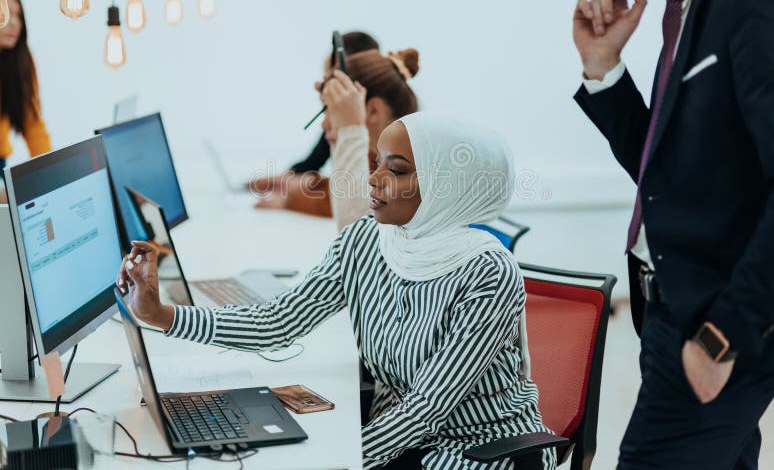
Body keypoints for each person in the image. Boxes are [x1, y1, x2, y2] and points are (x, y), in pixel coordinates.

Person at [118, 112, 556, 470]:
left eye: (396, 169)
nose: (374, 179)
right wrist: (163, 316)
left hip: (482, 450)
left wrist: (342, 459)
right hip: (402, 441)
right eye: (377, 163)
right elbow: (277, 322)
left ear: (446, 186)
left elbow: (427, 407)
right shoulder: (366, 239)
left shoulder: (487, 271)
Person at [561, 0, 774, 467]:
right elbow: (670, 174)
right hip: (667, 310)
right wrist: (605, 70)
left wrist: (723, 337)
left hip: (714, 324)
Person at [256, 49, 421, 232]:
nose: (324, 124)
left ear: (374, 110)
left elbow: (357, 234)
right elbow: (345, 187)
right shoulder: (379, 158)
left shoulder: (410, 174)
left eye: (332, 109)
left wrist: (350, 130)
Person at [248, 30, 379, 189]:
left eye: (330, 78)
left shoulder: (373, 131)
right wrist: (281, 180)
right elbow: (313, 162)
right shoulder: (337, 124)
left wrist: (291, 194)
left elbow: (355, 190)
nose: (323, 86)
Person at [0, 0, 51, 202]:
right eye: (5, 14)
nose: (14, 24)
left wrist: (49, 173)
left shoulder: (21, 61)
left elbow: (33, 125)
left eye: (18, 16)